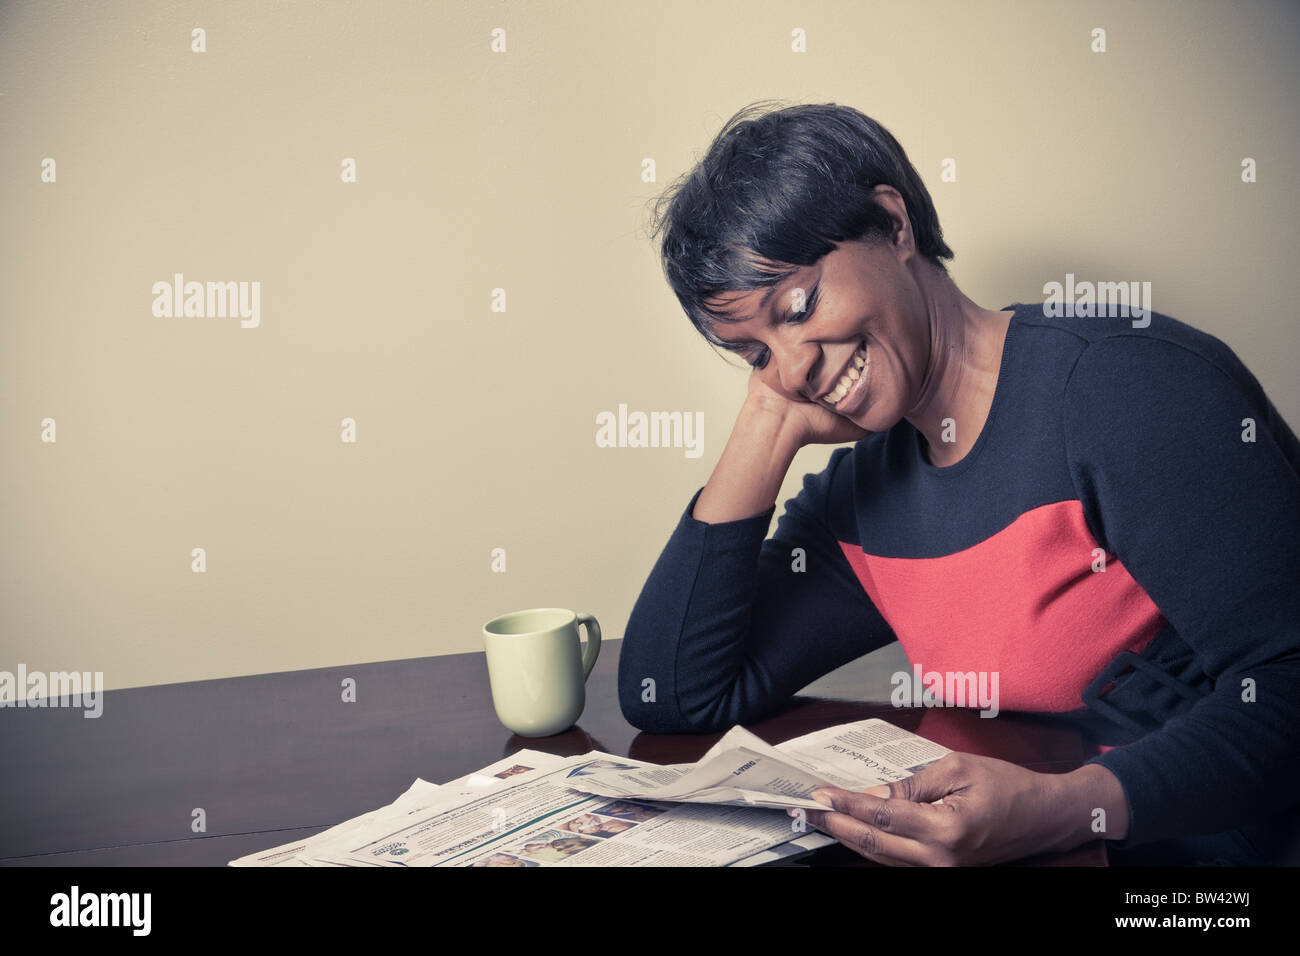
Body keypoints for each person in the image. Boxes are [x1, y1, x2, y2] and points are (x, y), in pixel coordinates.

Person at [618, 100, 1300, 866]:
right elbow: (669, 696)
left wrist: (1065, 809)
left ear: (892, 223)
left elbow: (1285, 685)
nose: (794, 366)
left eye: (799, 306)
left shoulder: (1125, 388)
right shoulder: (865, 498)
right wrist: (764, 425)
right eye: (753, 352)